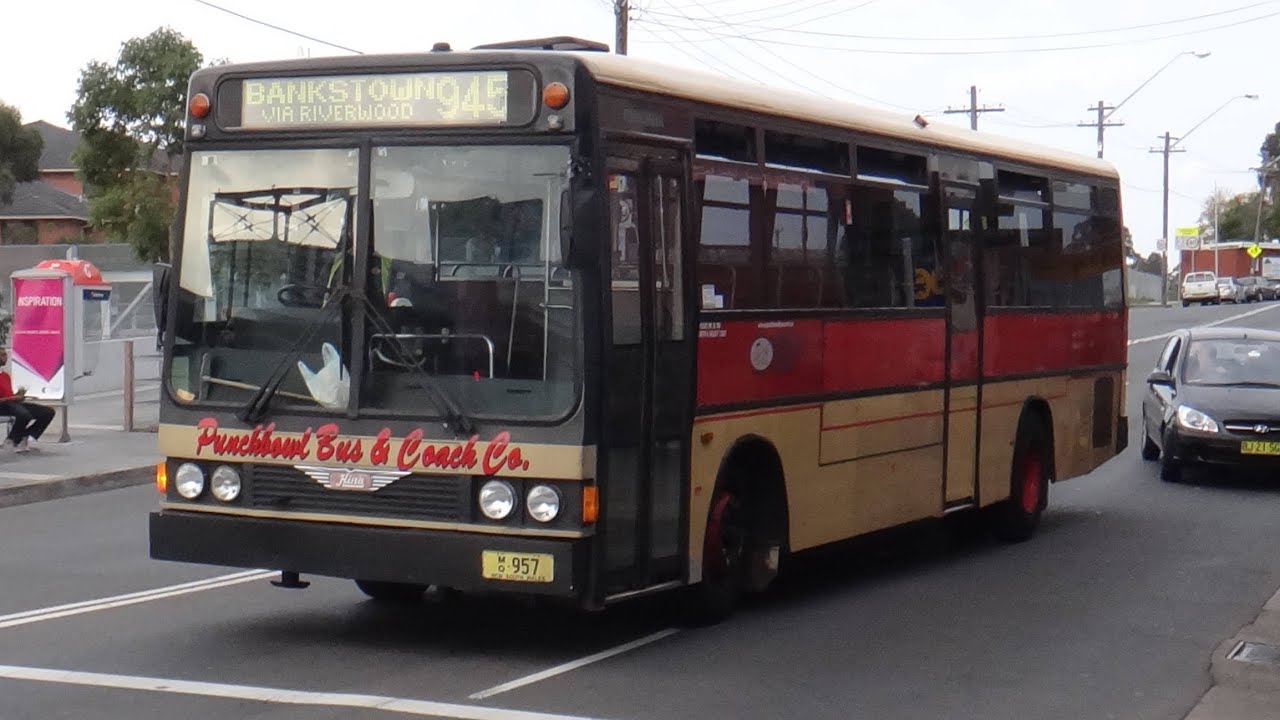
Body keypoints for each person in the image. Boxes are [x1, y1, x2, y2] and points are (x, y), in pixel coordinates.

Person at [0, 347, 55, 453]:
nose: (5, 357)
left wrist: (19, 396)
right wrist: (12, 398)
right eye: (2, 355)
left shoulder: (5, 375)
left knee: (48, 412)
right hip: (3, 406)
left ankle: (25, 436)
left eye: (5, 355)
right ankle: (12, 440)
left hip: (12, 404)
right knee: (24, 415)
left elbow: (9, 395)